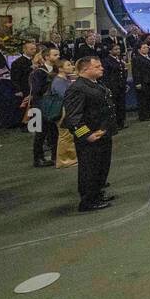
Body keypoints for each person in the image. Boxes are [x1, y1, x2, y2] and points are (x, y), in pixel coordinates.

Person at [60, 57, 117, 212]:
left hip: (103, 132)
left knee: (102, 166)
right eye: (97, 67)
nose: (102, 68)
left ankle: (97, 193)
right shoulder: (77, 88)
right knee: (90, 168)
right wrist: (86, 135)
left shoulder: (95, 84)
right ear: (85, 70)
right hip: (91, 136)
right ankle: (88, 200)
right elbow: (73, 118)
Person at [27, 48, 61, 167]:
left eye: (58, 55)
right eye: (55, 55)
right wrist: (51, 83)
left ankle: (55, 155)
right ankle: (38, 158)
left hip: (53, 106)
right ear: (47, 57)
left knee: (54, 132)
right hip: (40, 106)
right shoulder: (39, 72)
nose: (58, 57)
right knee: (40, 133)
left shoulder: (57, 70)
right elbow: (36, 90)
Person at [51, 59, 79, 168]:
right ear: (60, 68)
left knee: (70, 135)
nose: (71, 66)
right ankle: (63, 161)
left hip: (69, 109)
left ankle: (72, 158)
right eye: (68, 65)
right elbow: (66, 97)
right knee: (64, 136)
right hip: (62, 110)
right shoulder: (58, 81)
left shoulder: (65, 79)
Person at [131, 43, 150, 121]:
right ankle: (144, 115)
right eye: (144, 48)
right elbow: (136, 71)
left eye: (147, 47)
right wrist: (137, 83)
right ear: (139, 50)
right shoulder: (137, 59)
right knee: (144, 99)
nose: (146, 49)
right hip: (143, 81)